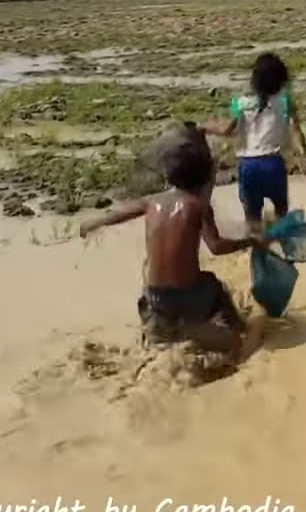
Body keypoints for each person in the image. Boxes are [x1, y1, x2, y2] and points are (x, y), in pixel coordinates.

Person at [79, 123, 265, 362]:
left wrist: (94, 222)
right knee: (214, 287)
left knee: (150, 281)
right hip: (189, 297)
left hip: (156, 297)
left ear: (169, 176)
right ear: (205, 179)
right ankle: (231, 334)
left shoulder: (152, 201)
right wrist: (250, 241)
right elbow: (217, 247)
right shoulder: (199, 206)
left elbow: (119, 214)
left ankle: (157, 333)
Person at [200, 52, 306, 233]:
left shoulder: (241, 103)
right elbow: (296, 131)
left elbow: (228, 130)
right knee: (281, 209)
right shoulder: (285, 101)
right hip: (274, 164)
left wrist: (205, 127)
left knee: (252, 215)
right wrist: (304, 156)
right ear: (282, 78)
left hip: (249, 166)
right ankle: (277, 240)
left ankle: (255, 245)